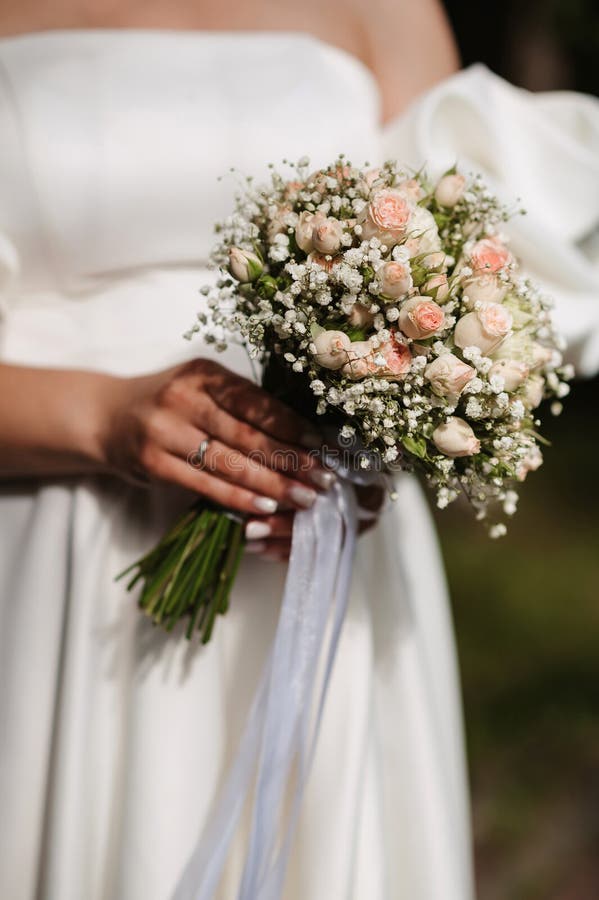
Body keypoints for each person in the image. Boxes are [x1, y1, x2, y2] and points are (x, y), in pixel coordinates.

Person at [2, 1, 598, 898]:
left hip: (316, 559)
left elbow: (461, 258)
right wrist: (102, 417)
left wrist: (382, 447)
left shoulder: (385, 9)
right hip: (53, 530)